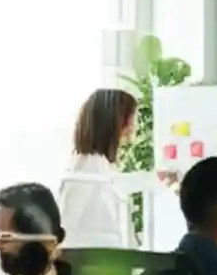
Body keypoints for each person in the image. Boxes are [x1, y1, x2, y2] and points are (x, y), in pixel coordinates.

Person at [59, 88, 177, 248]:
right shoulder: (87, 169)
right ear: (117, 122)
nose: (133, 127)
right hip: (92, 265)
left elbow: (120, 183)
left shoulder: (100, 167)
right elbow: (66, 227)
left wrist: (161, 179)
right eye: (131, 119)